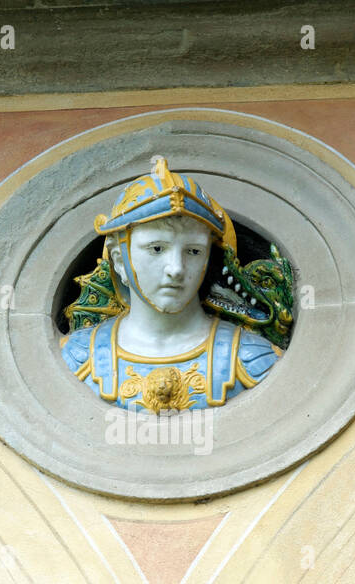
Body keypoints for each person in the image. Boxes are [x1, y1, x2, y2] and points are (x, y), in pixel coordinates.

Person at [61, 157, 286, 413]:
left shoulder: (253, 360)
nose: (176, 269)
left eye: (193, 251)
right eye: (157, 248)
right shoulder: (77, 358)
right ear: (118, 259)